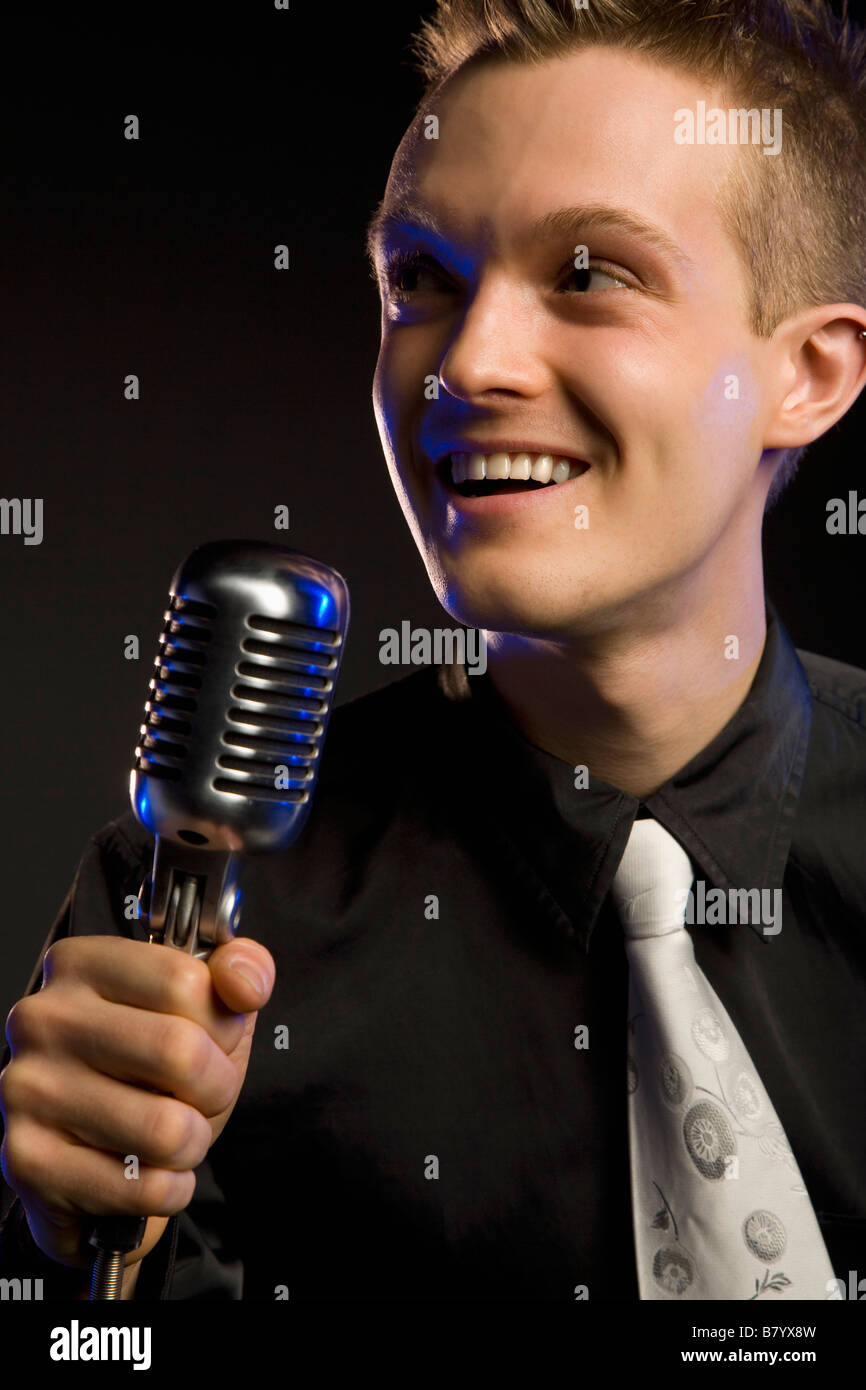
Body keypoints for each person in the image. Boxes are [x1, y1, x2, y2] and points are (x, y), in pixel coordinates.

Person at [2, 0, 866, 1303]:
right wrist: (68, 1265)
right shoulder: (191, 921)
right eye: (420, 279)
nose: (465, 362)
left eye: (587, 272)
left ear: (805, 373)